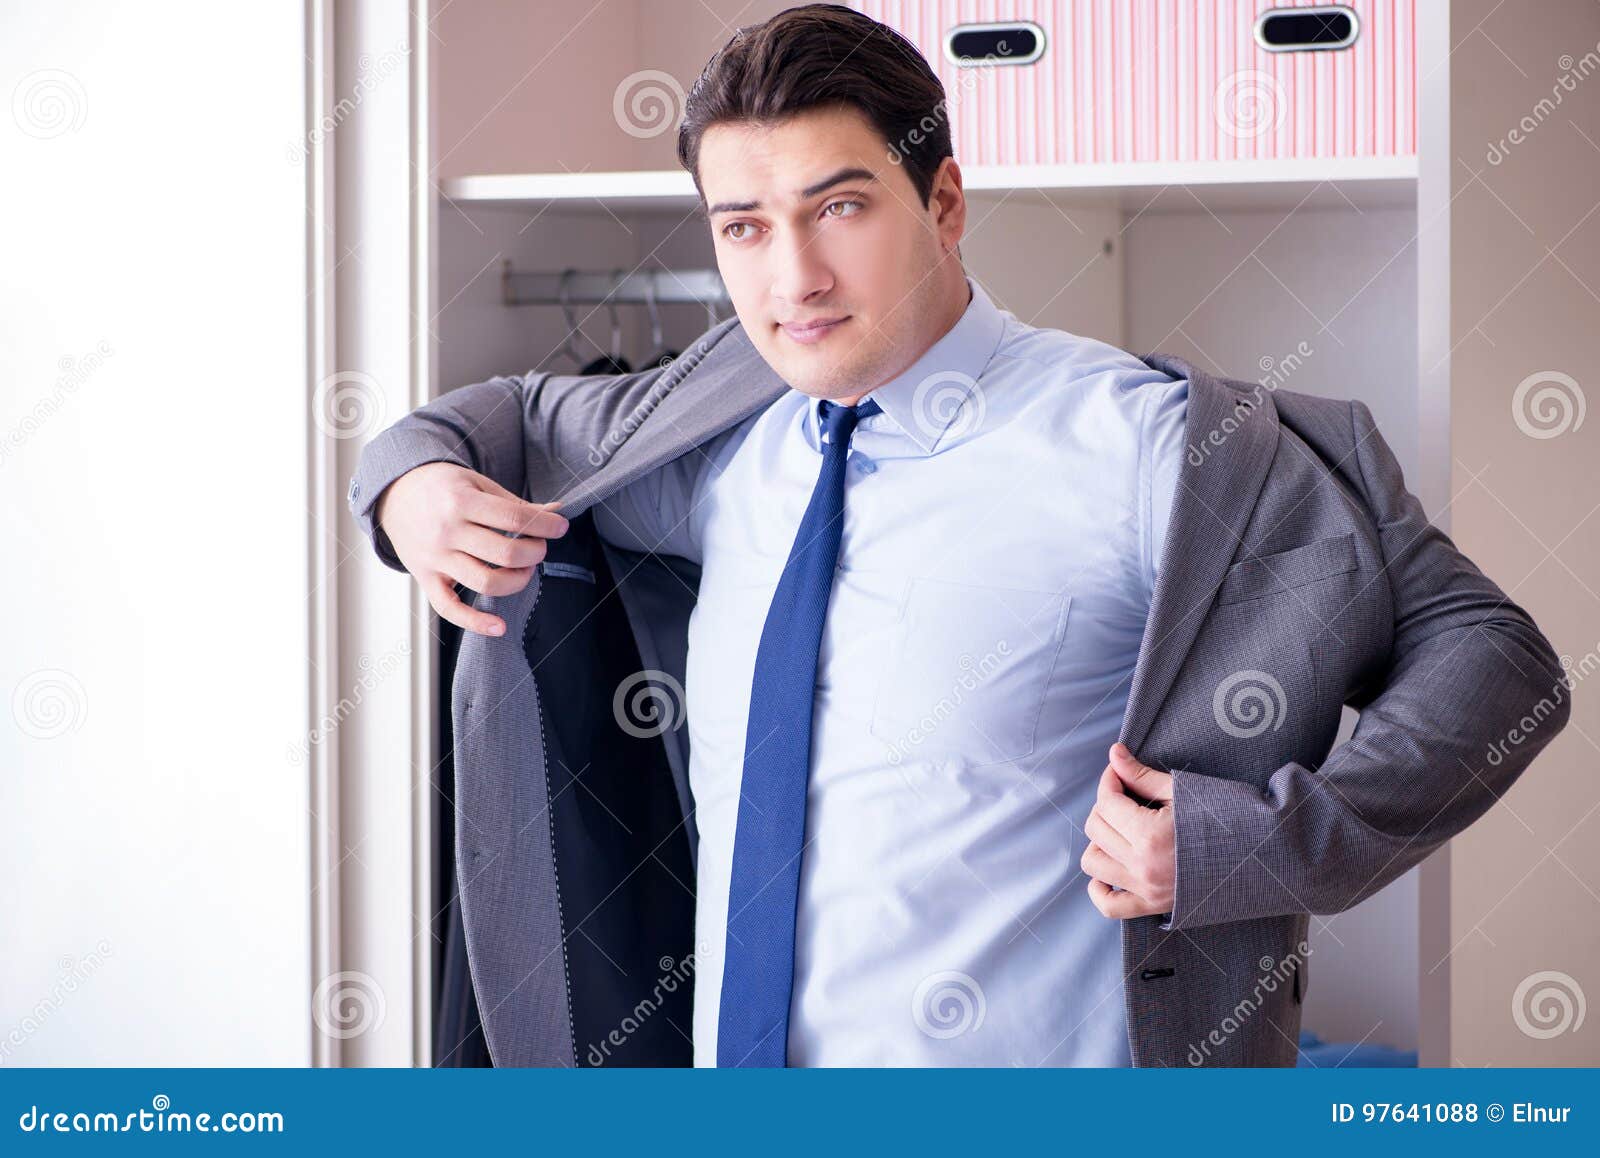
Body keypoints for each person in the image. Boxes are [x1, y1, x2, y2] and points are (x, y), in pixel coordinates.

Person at [350, 4, 1567, 1067]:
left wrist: (1258, 848)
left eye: (839, 207)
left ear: (943, 199)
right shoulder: (720, 429)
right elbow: (502, 418)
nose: (795, 279)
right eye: (745, 228)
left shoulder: (1146, 447)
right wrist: (410, 486)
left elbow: (1489, 653)